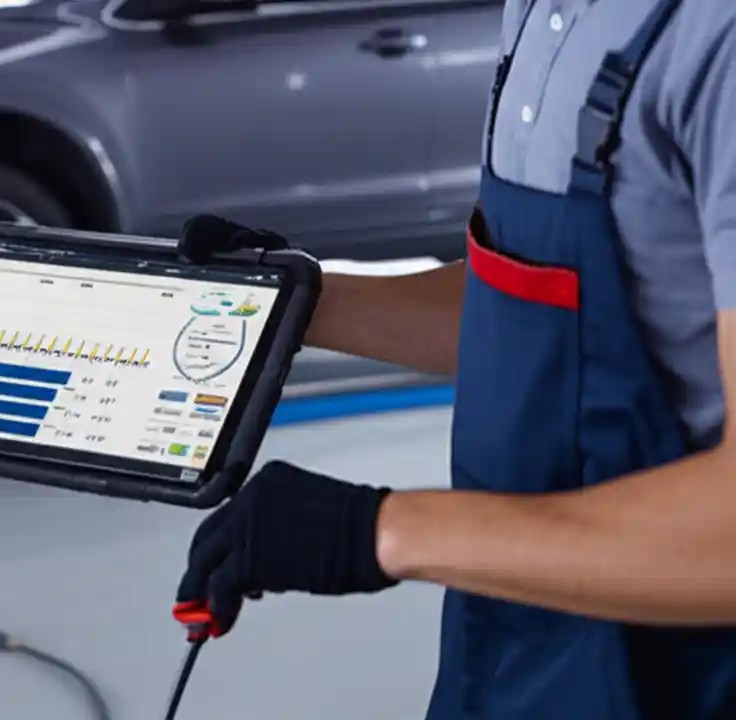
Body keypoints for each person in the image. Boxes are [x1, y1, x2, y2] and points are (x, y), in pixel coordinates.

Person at [175, 0, 736, 717]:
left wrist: (376, 531)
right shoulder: (538, 12)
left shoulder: (716, 37)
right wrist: (290, 303)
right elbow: (547, 312)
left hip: (683, 674)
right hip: (509, 640)